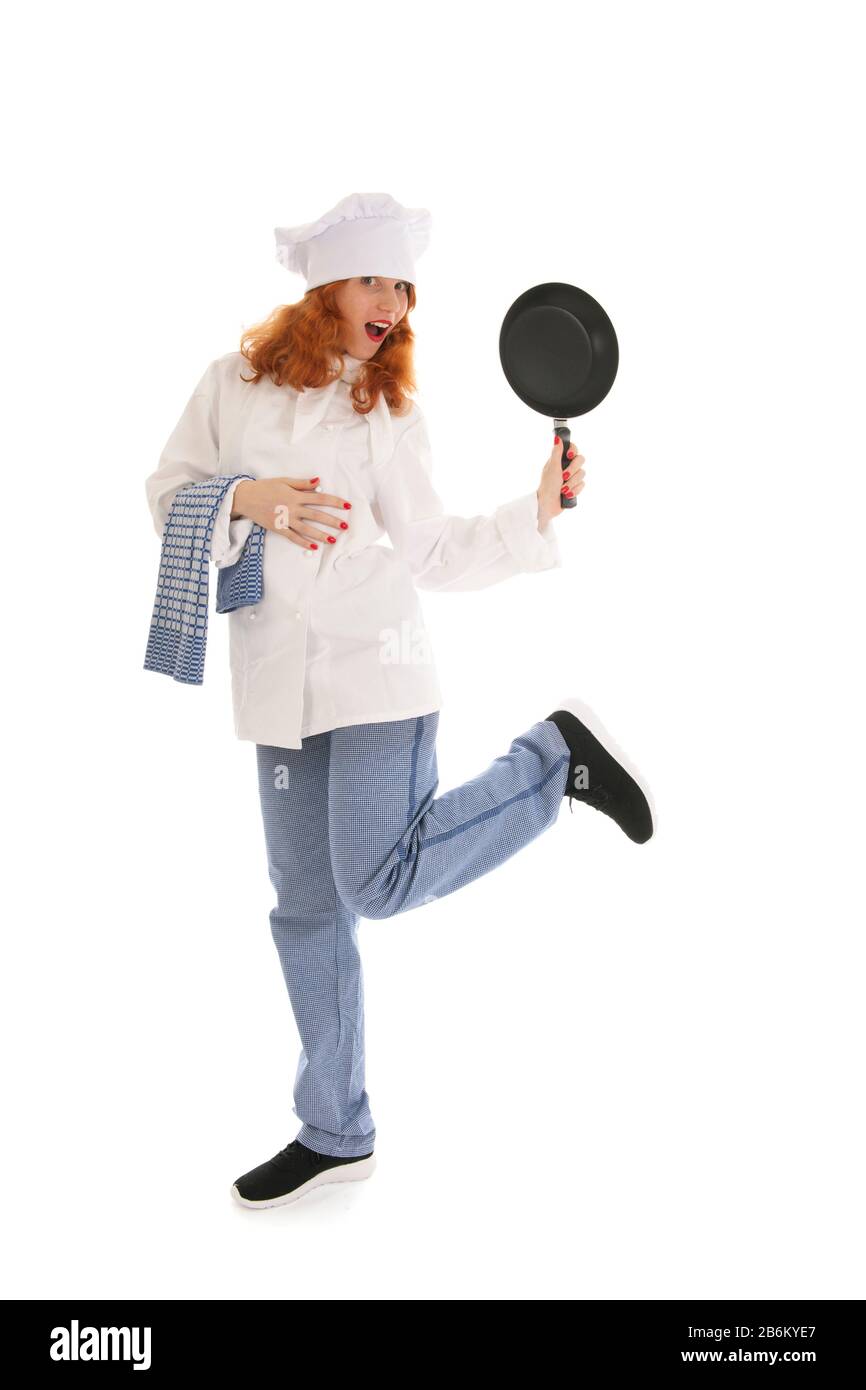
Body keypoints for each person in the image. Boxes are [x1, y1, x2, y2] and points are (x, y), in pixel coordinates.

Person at [144, 191, 654, 1211]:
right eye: (375, 278)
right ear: (325, 286)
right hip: (275, 684)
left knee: (374, 880)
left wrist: (535, 511)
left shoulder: (386, 411)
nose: (392, 301)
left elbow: (428, 549)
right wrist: (255, 499)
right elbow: (169, 492)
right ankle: (335, 1129)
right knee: (305, 909)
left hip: (376, 666)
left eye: (402, 285)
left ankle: (556, 760)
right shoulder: (228, 385)